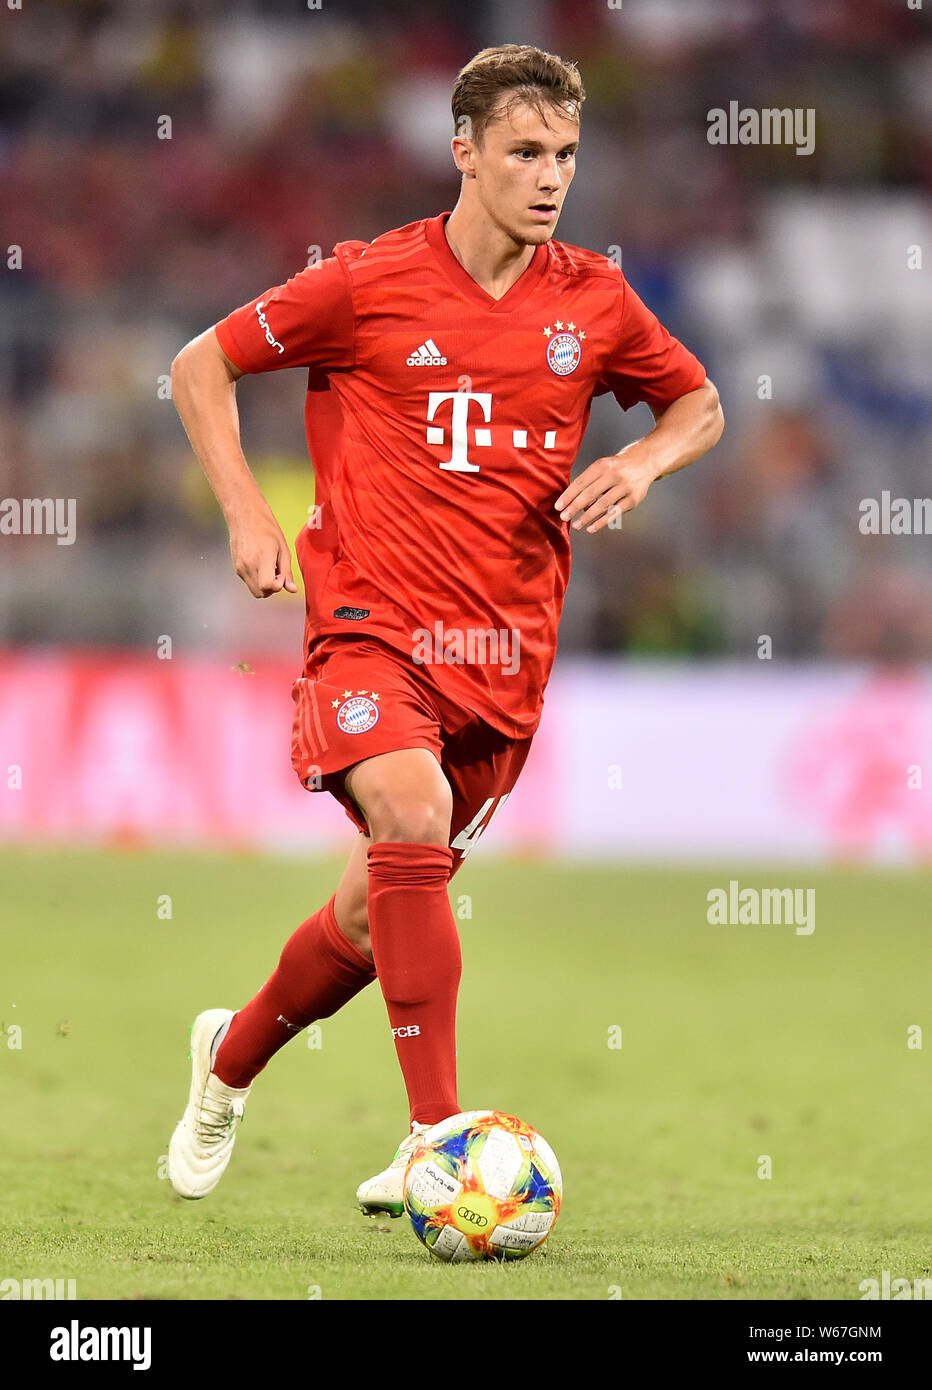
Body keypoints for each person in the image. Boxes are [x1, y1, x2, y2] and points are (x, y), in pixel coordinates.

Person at [167, 43, 724, 1216]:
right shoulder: (365, 284)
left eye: (566, 154)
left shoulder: (593, 300)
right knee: (408, 814)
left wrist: (638, 459)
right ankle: (439, 1139)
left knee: (376, 915)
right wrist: (246, 516)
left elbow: (699, 402)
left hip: (503, 658)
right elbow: (199, 364)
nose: (549, 176)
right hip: (369, 627)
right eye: (524, 152)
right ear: (462, 152)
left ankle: (224, 1064)